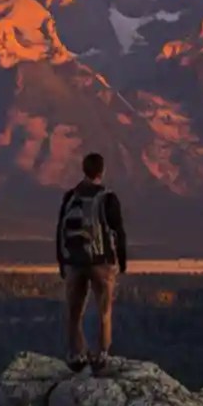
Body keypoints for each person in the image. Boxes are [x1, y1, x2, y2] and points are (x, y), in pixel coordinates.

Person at [56, 152, 127, 374]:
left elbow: (59, 231)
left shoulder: (70, 197)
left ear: (83, 169)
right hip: (101, 262)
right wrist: (121, 261)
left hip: (74, 262)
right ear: (101, 171)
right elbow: (118, 231)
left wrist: (62, 262)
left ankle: (76, 353)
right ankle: (102, 354)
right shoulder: (107, 198)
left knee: (74, 311)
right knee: (104, 310)